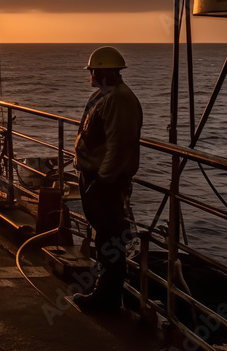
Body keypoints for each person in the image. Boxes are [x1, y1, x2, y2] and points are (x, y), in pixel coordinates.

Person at [72, 46, 143, 313]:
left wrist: (102, 181)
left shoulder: (119, 100)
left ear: (104, 71)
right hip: (99, 177)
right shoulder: (106, 96)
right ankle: (105, 293)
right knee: (104, 237)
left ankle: (107, 298)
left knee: (110, 239)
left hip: (107, 183)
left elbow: (119, 145)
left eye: (93, 70)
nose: (90, 74)